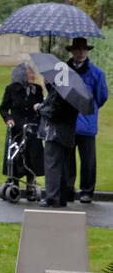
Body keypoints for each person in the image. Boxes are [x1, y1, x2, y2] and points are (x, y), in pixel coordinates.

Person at [68, 37, 107, 203]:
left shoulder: (96, 73)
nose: (81, 52)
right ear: (73, 51)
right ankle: (68, 189)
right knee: (67, 160)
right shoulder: (64, 70)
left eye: (84, 49)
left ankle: (87, 191)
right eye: (78, 49)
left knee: (88, 161)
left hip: (87, 124)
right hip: (67, 122)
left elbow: (102, 96)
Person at [0, 60, 43, 200]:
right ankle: (15, 185)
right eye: (30, 72)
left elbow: (41, 108)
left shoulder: (37, 89)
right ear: (22, 74)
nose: (33, 74)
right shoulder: (11, 89)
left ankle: (30, 187)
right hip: (16, 129)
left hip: (32, 129)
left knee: (32, 157)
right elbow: (3, 108)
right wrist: (8, 119)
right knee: (16, 157)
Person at [37, 74, 79, 207]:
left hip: (54, 134)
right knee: (64, 167)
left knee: (52, 166)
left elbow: (52, 112)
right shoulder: (72, 92)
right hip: (68, 135)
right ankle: (62, 198)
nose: (43, 78)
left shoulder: (57, 93)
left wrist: (39, 108)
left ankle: (52, 198)